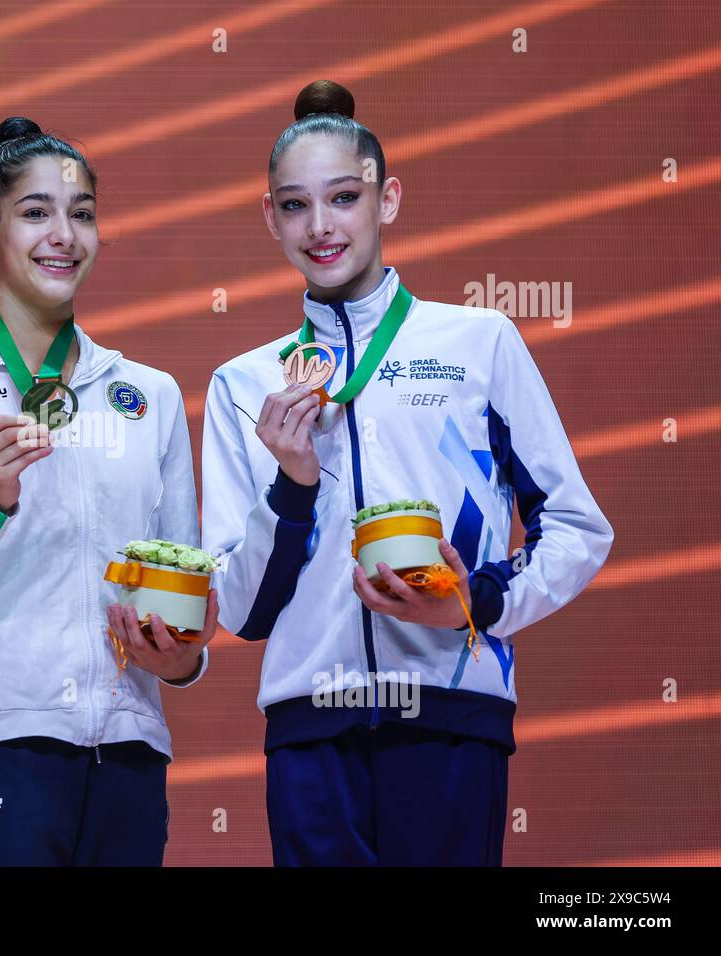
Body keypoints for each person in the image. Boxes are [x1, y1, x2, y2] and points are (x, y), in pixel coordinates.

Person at [200, 80, 614, 866]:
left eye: (344, 197)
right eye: (294, 205)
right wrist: (291, 488)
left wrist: (482, 601)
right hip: (310, 726)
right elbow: (243, 612)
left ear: (387, 200)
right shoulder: (244, 383)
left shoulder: (479, 342)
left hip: (454, 715)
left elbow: (577, 526)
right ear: (270, 216)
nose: (320, 226)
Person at [0, 117, 218, 866]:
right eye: (35, 213)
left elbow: (188, 599)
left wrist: (181, 659)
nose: (63, 234)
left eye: (82, 213)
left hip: (129, 749)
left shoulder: (150, 394)